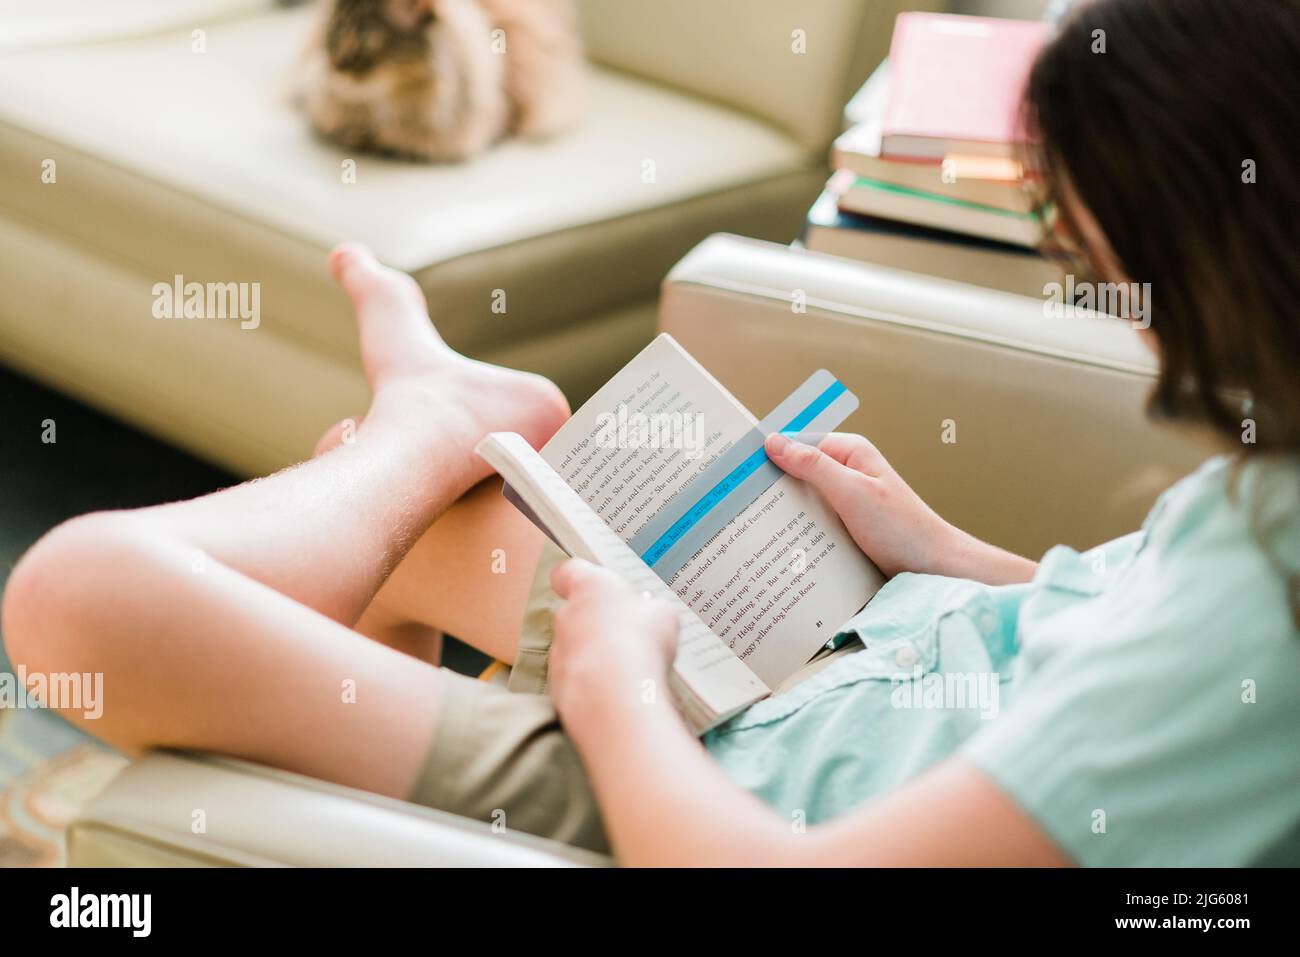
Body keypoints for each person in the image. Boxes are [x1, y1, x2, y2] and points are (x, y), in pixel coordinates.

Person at [3, 0, 1297, 866]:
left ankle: (426, 426)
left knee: (79, 601)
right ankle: (424, 462)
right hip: (857, 650)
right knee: (436, 532)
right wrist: (938, 549)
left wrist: (613, 691)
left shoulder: (1266, 605)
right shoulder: (1266, 501)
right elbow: (1123, 615)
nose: (1111, 302)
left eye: (1100, 261)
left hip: (717, 779)